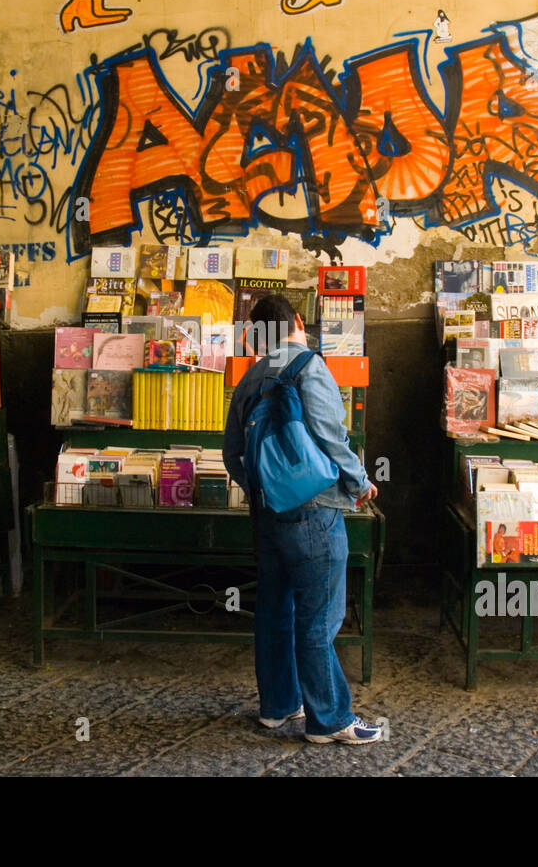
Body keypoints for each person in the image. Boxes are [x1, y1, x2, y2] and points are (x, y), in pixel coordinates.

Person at [223, 294, 382, 745]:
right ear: (296, 320)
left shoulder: (250, 377)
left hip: (268, 514)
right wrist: (360, 483)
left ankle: (277, 706)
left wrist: (270, 487)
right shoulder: (310, 366)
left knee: (274, 609)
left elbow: (232, 455)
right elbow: (332, 438)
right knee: (319, 619)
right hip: (315, 512)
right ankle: (329, 720)